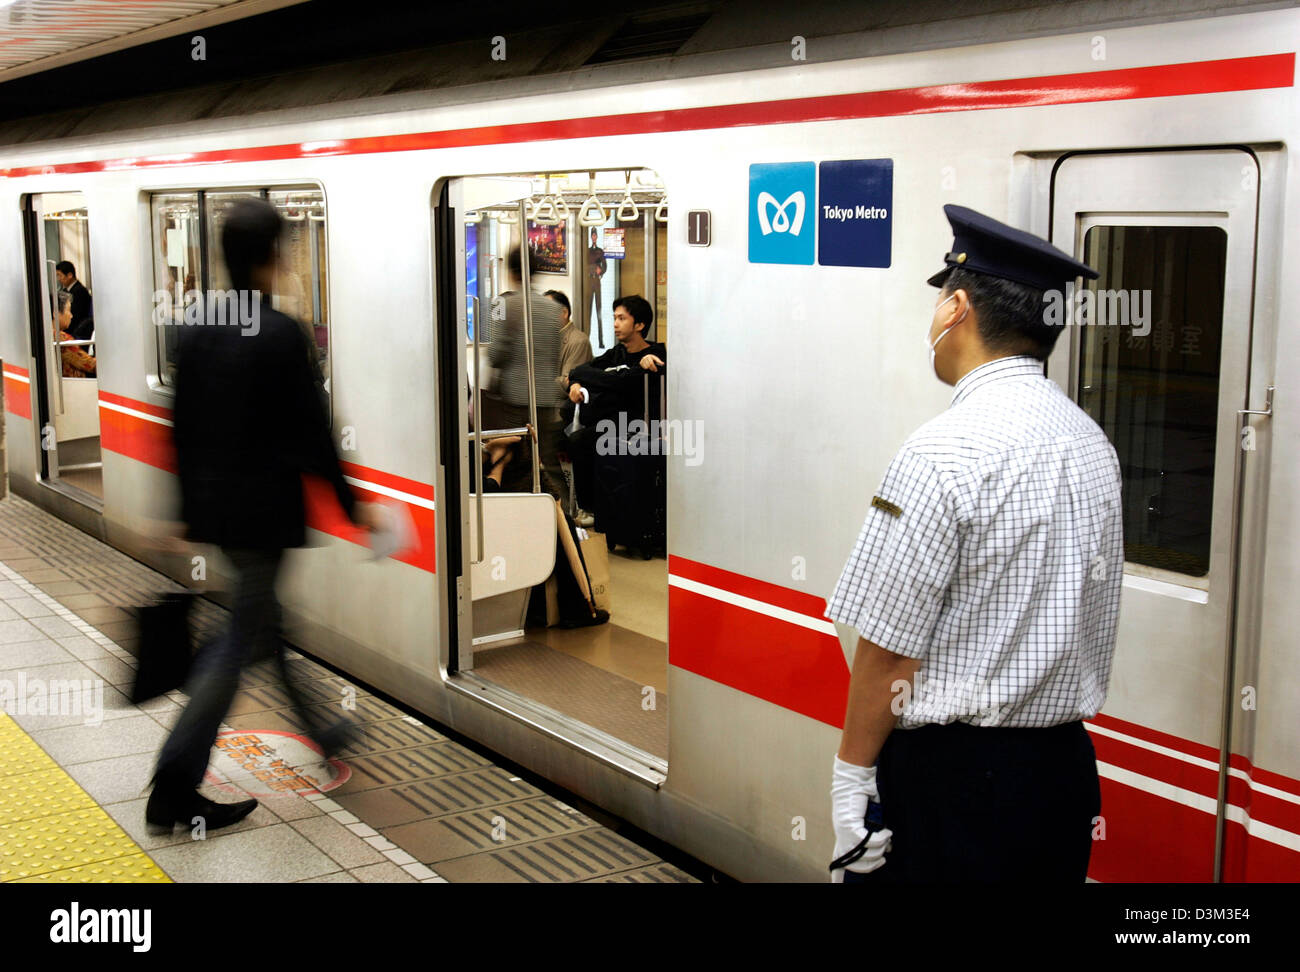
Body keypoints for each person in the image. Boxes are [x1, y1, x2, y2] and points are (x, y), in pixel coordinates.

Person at [825, 205, 1123, 883]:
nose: (932, 320)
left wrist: (851, 778)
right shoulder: (1091, 443)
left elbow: (890, 647)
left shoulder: (941, 451)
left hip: (953, 786)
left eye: (938, 302)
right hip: (1062, 776)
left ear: (958, 307)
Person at [149, 198, 378, 833]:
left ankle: (321, 733)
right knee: (236, 647)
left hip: (221, 517)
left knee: (265, 627)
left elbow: (181, 427)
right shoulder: (280, 334)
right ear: (273, 257)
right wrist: (356, 508)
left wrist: (183, 511)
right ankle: (173, 784)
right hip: (264, 518)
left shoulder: (196, 326)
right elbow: (315, 435)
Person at [566, 295, 666, 556]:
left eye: (622, 318)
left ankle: (601, 510)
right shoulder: (616, 354)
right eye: (614, 318)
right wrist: (577, 384)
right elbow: (578, 371)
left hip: (639, 426)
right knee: (578, 440)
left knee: (586, 441)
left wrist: (608, 377)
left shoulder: (655, 354)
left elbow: (623, 383)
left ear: (640, 324)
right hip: (609, 423)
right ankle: (593, 508)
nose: (616, 324)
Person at [483, 247, 565, 498]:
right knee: (546, 462)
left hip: (512, 401)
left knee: (512, 462)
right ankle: (561, 516)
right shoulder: (553, 310)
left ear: (511, 271)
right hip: (545, 399)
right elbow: (555, 356)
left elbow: (495, 355)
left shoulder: (501, 304)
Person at [54, 292, 96, 378]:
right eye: (68, 310)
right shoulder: (62, 339)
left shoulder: (48, 335)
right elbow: (91, 365)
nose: (71, 316)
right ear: (55, 313)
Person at [54, 261, 94, 342]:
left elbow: (77, 317)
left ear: (70, 275)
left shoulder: (80, 291)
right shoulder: (65, 291)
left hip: (79, 333)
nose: (58, 279)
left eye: (60, 275)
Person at [586, 228, 607, 348]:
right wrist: (593, 267)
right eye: (592, 235)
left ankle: (601, 341)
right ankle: (587, 338)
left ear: (597, 237)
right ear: (590, 237)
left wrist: (600, 270)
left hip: (596, 281)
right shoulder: (587, 251)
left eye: (595, 235)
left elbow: (605, 266)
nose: (594, 237)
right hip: (588, 281)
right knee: (588, 311)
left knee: (598, 310)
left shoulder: (600, 251)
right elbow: (585, 265)